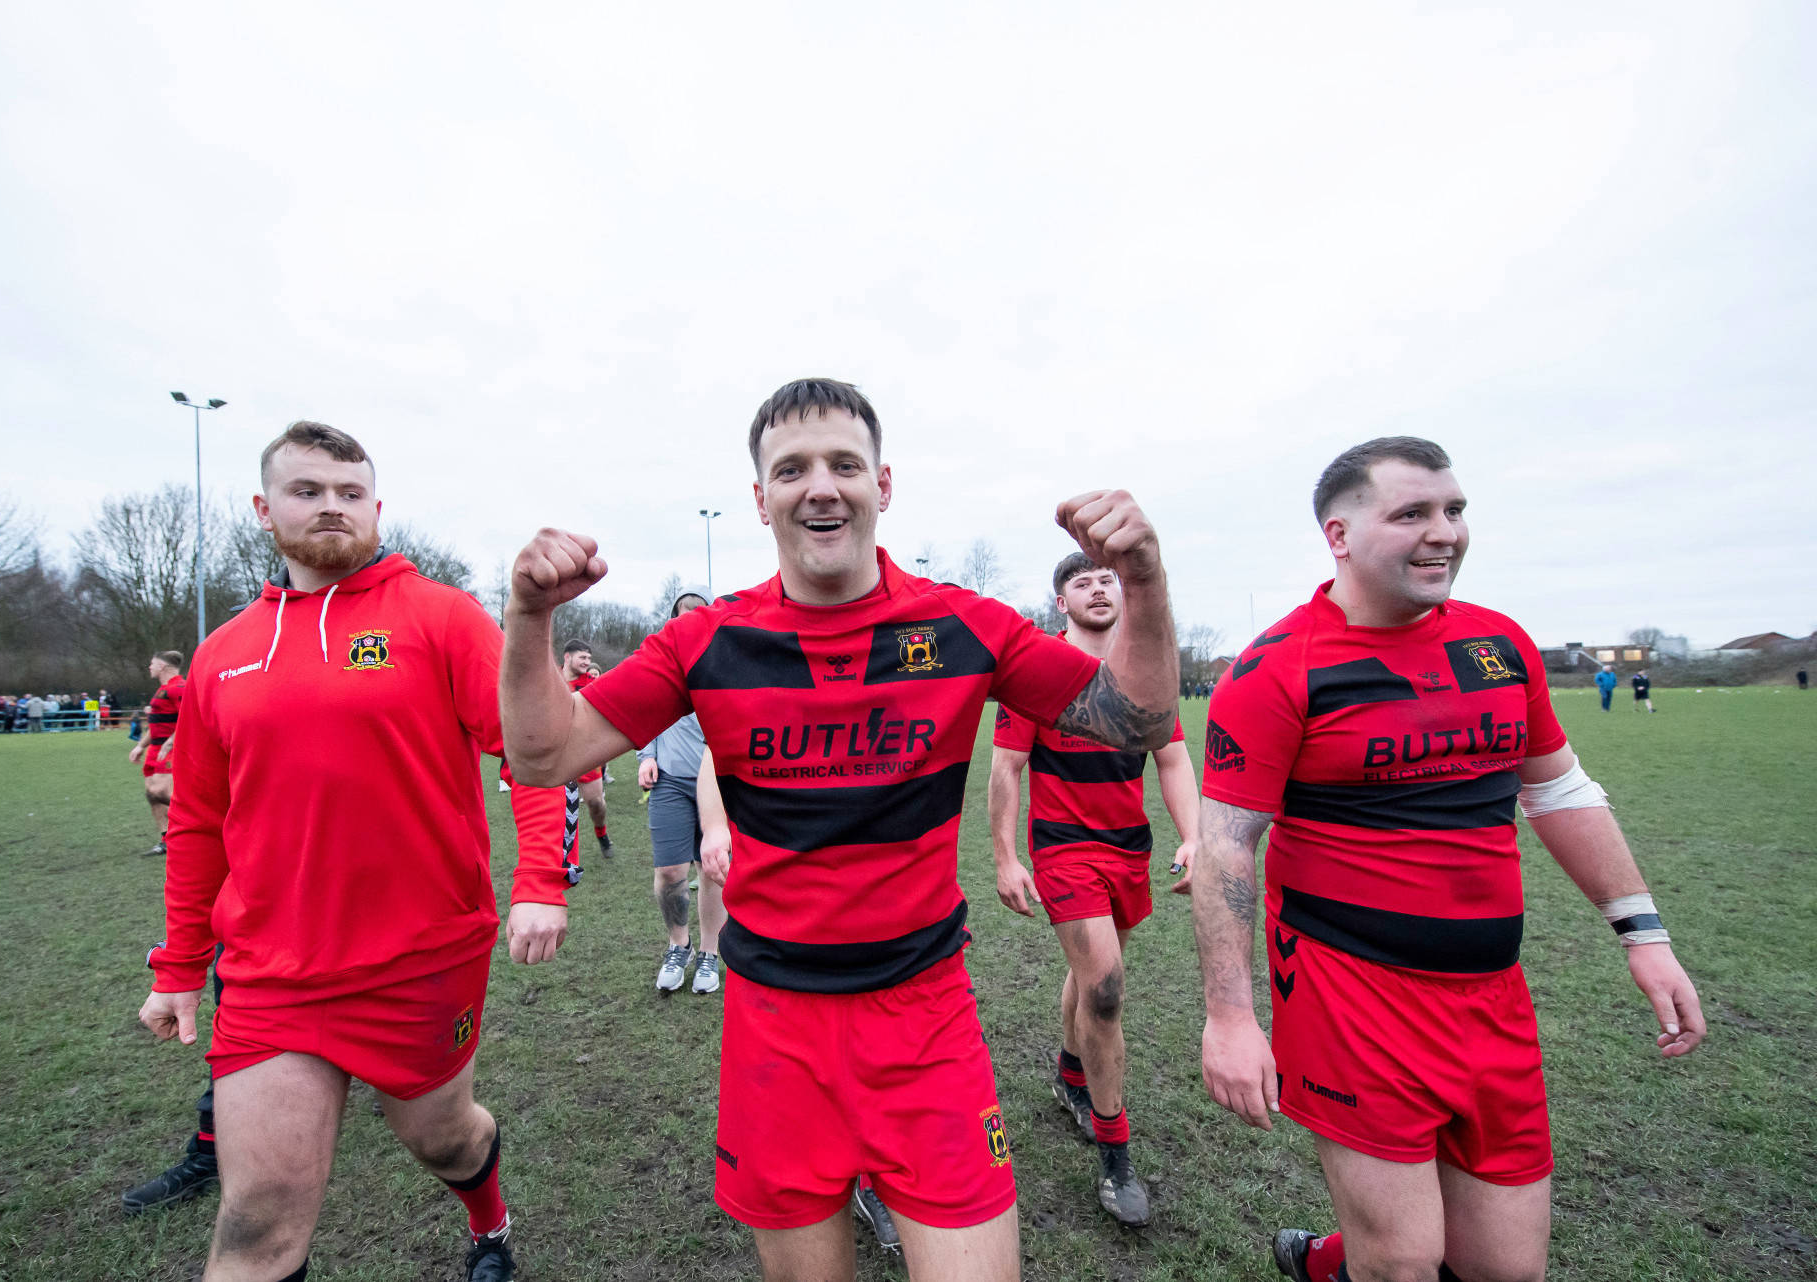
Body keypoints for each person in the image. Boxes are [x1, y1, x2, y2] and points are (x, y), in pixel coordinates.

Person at [498, 378, 1180, 1282]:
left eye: (844, 464)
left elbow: (1136, 719)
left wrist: (1145, 581)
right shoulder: (707, 641)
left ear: (883, 485)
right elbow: (545, 755)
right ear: (760, 498)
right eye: (792, 469)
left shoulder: (963, 624)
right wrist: (530, 617)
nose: (820, 486)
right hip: (774, 1028)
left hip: (926, 1019)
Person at [1189, 437, 1705, 1282]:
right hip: (1350, 992)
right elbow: (1224, 846)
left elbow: (1561, 793)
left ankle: (1325, 1264)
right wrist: (1231, 1018)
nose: (1445, 533)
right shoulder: (1280, 668)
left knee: (1507, 1270)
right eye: (1413, 514)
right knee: (1404, 1263)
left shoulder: (1500, 644)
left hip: (1493, 996)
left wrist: (1643, 933)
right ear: (1340, 535)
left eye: (1455, 510)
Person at [137, 420, 571, 1282]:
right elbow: (195, 824)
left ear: (377, 508)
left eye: (350, 493)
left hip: (421, 958)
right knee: (257, 1217)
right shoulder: (222, 656)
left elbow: (532, 750)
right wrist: (181, 963)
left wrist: (540, 881)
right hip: (271, 972)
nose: (332, 507)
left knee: (444, 1138)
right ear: (264, 509)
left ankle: (488, 1224)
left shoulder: (440, 616)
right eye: (308, 491)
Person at [987, 551, 1200, 1227]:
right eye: (1082, 581)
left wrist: (1192, 836)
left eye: (1108, 578)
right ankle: (1115, 1160)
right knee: (1105, 987)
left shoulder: (1143, 671)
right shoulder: (1039, 672)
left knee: (1091, 982)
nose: (1099, 588)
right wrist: (1004, 857)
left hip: (1129, 852)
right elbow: (1006, 769)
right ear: (1062, 602)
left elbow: (1171, 758)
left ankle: (1072, 1077)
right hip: (1064, 852)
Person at [638, 585, 730, 994]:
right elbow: (644, 710)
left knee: (711, 869)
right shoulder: (662, 659)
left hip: (716, 780)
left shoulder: (727, 659)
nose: (688, 616)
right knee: (669, 872)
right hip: (670, 779)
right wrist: (647, 755)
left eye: (698, 609)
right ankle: (680, 945)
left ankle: (710, 953)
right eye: (681, 610)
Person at [129, 652, 187, 857]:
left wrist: (171, 742)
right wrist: (140, 746)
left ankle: (203, 823)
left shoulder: (178, 688)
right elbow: (156, 725)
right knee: (152, 796)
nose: (149, 667)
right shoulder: (162, 690)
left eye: (152, 663)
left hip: (170, 749)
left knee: (162, 792)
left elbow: (189, 719)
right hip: (155, 749)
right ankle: (166, 840)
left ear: (162, 666)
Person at [560, 640, 615, 858]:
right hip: (559, 755)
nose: (587, 662)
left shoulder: (593, 682)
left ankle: (602, 835)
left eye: (589, 658)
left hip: (585, 753)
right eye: (582, 657)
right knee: (559, 809)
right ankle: (562, 854)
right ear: (567, 657)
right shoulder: (551, 679)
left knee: (595, 803)